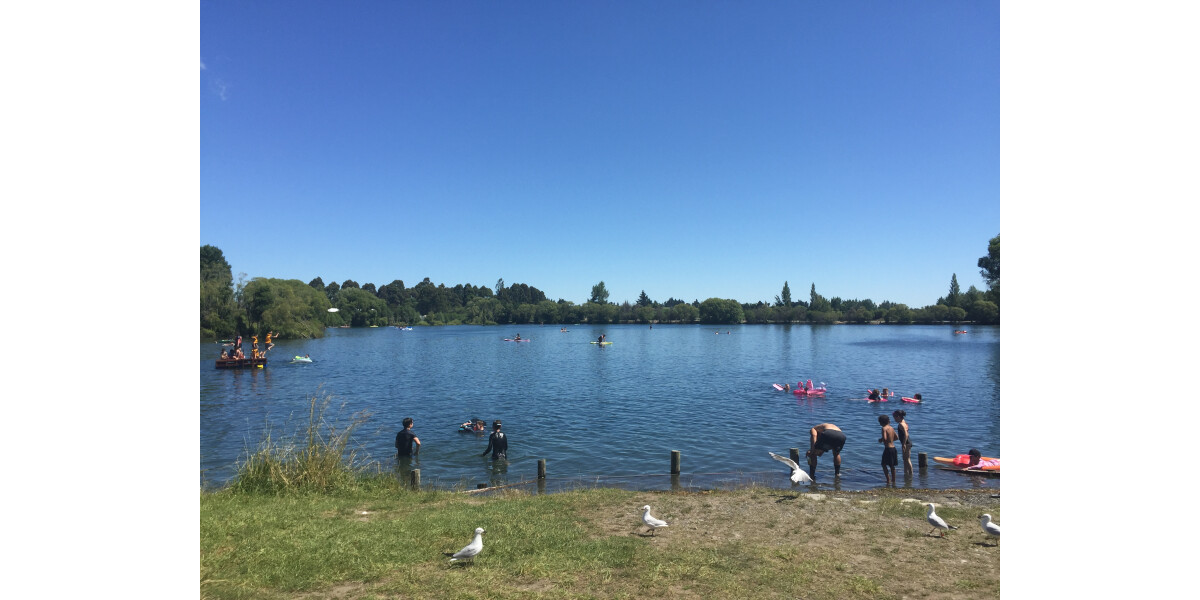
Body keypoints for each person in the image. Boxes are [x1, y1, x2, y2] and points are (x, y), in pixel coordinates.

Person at [878, 415, 898, 486]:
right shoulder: (891, 428)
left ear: (881, 422)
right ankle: (893, 480)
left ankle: (888, 480)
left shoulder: (884, 428)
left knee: (883, 464)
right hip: (893, 448)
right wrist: (891, 440)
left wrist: (881, 440)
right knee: (892, 465)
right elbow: (896, 437)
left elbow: (885, 438)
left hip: (888, 449)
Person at [892, 409, 913, 476]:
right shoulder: (904, 422)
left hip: (906, 443)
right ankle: (906, 473)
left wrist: (903, 444)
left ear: (898, 417)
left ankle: (910, 474)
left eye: (894, 417)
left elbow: (906, 434)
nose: (894, 419)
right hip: (907, 442)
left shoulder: (901, 424)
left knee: (907, 459)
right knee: (905, 459)